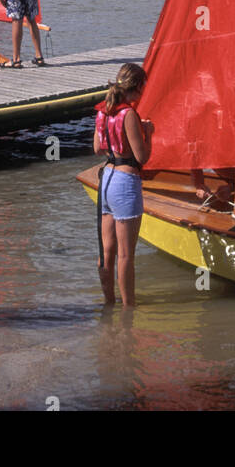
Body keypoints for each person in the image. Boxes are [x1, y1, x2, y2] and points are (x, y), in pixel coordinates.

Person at [94, 63, 153, 307]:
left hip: (106, 178)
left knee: (107, 252)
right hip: (125, 181)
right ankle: (129, 308)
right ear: (138, 87)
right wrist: (148, 132)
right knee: (126, 255)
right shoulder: (128, 114)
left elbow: (98, 149)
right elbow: (141, 157)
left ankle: (109, 304)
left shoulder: (104, 110)